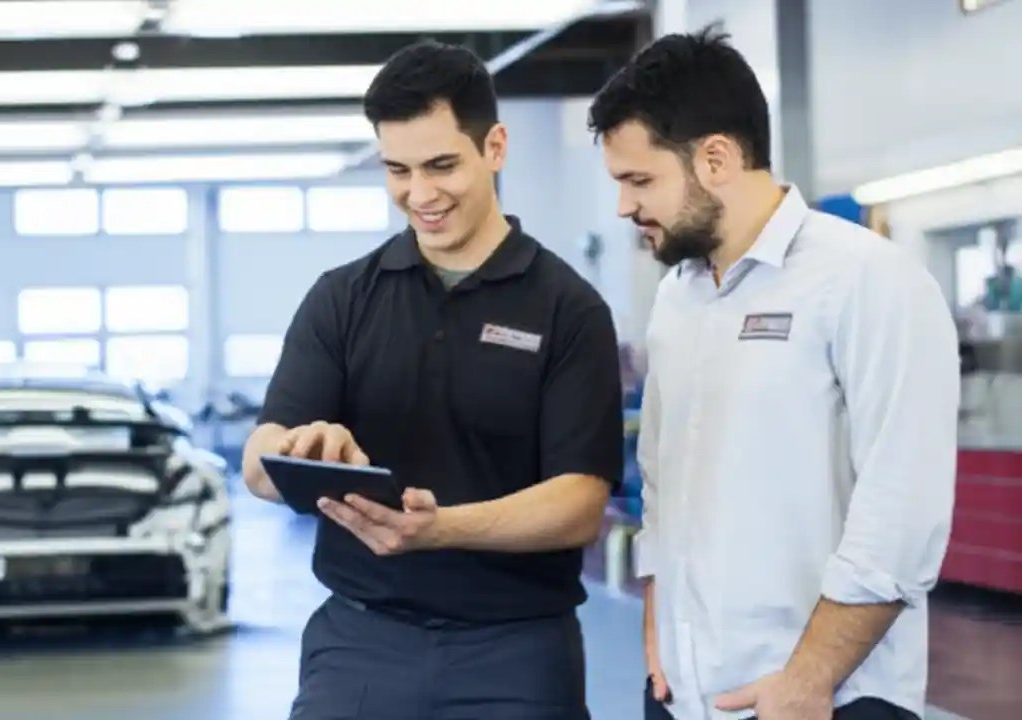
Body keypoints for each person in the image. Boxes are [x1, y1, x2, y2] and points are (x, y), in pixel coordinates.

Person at [241, 39, 625, 719]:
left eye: (442, 165)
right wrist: (303, 450)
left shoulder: (568, 309)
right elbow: (259, 463)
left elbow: (579, 505)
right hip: (359, 642)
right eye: (397, 169)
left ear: (495, 148)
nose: (420, 194)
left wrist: (440, 527)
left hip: (515, 652)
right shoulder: (342, 298)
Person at [585, 26, 960, 720]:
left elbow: (901, 511)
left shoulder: (868, 281)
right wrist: (656, 623)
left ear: (717, 158)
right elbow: (665, 482)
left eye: (639, 180)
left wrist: (808, 679)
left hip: (826, 700)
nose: (624, 207)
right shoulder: (679, 295)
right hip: (685, 695)